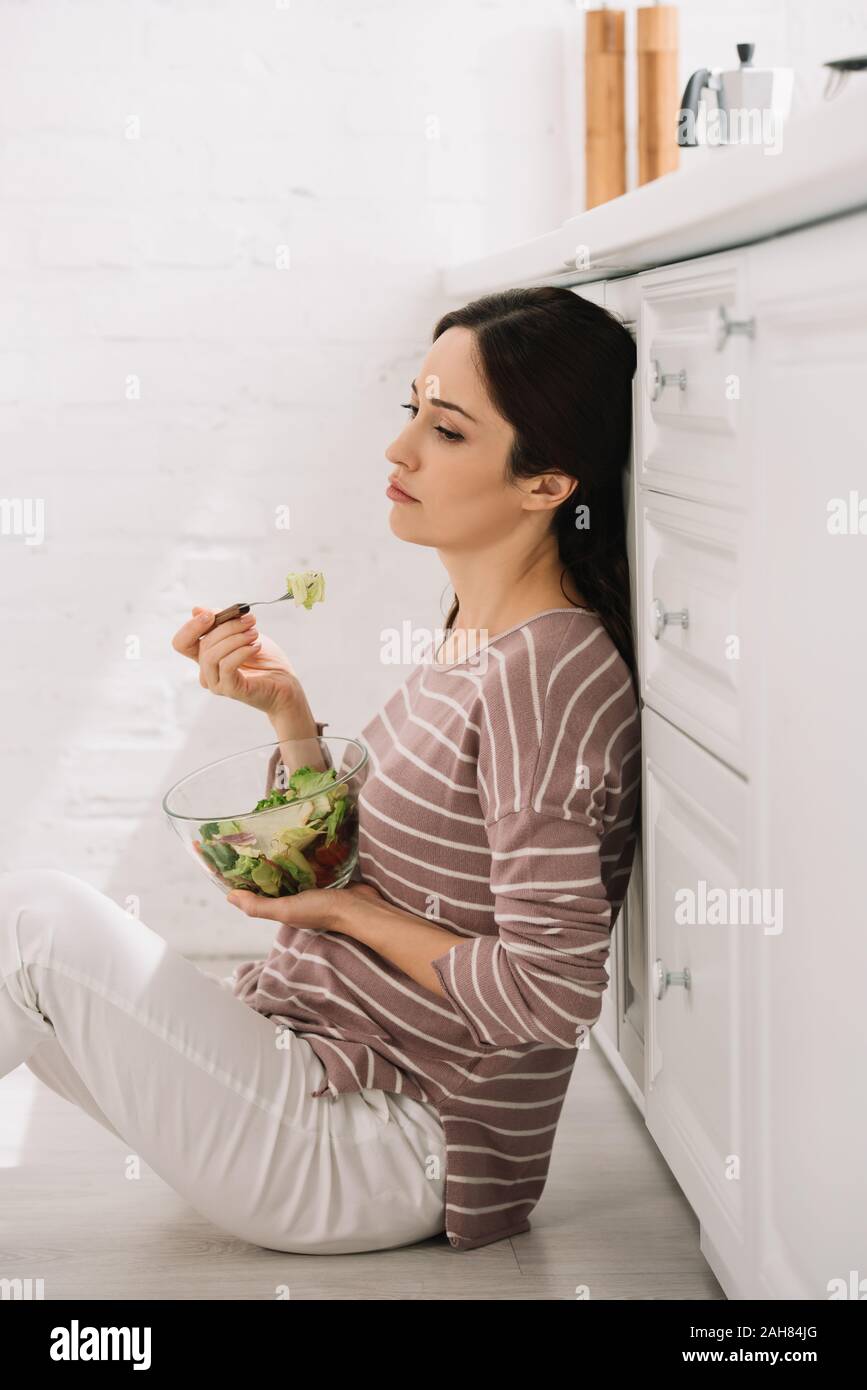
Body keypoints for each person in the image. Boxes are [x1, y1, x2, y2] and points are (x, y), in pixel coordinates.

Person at [0, 286, 641, 1254]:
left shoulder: (547, 674)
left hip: (394, 1138)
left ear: (547, 483)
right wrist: (287, 711)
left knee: (35, 930)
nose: (402, 449)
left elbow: (551, 993)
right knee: (32, 974)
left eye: (449, 430)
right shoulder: (479, 633)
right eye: (412, 411)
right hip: (312, 1059)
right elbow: (358, 861)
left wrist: (341, 915)